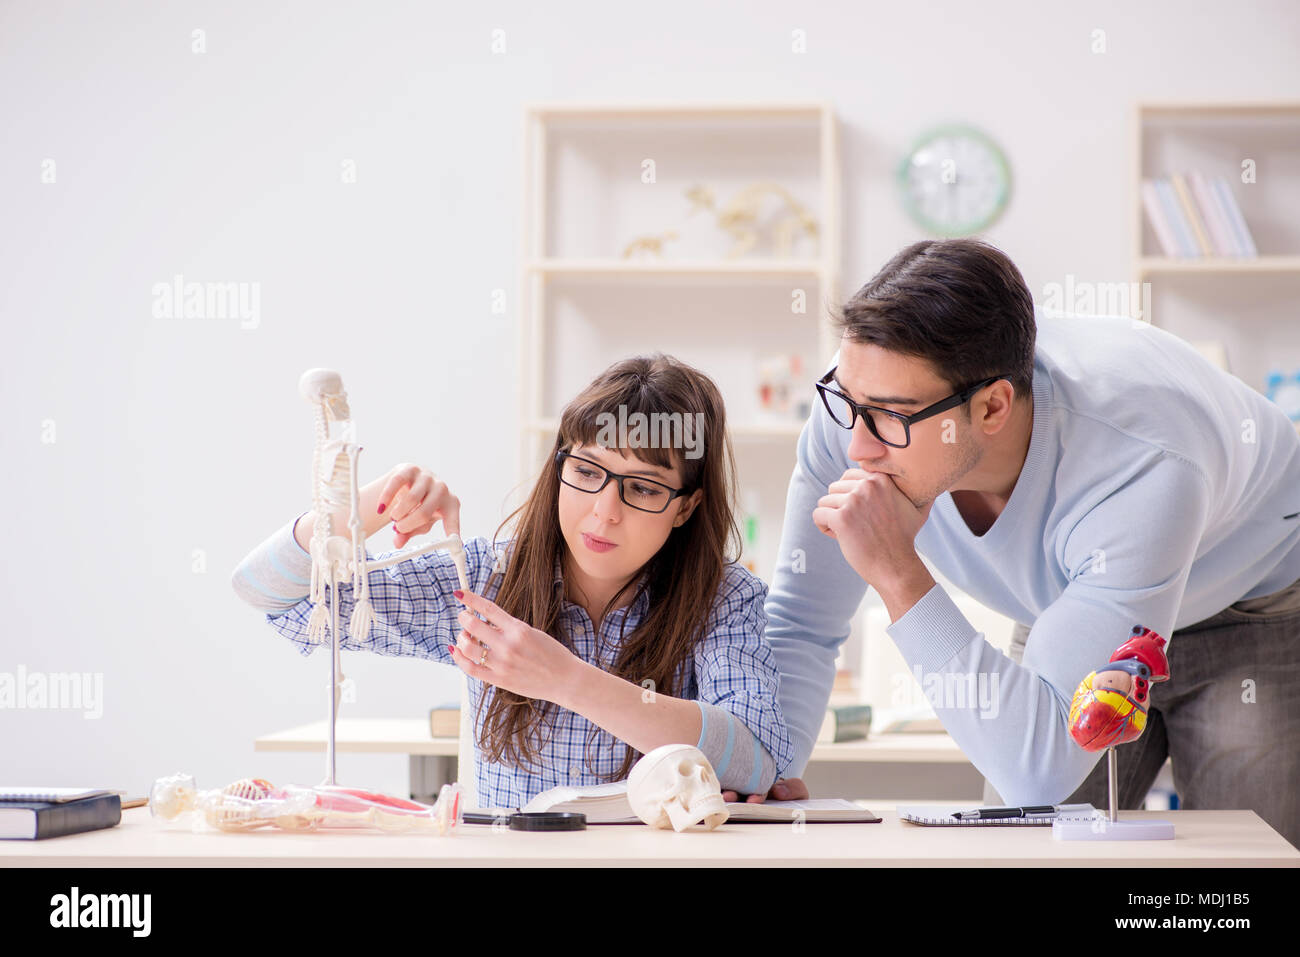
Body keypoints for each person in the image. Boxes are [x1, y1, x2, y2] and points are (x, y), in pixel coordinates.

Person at [732, 238, 1300, 847]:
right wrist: (765, 773)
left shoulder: (1142, 459)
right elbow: (801, 625)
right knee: (1023, 847)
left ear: (993, 407)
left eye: (890, 417)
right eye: (848, 400)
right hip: (1067, 605)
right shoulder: (857, 412)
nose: (855, 449)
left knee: (1244, 856)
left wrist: (898, 574)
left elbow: (1038, 771)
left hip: (1244, 612)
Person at [231, 354, 793, 811]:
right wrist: (375, 503)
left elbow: (756, 758)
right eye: (587, 472)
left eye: (643, 489)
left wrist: (566, 680)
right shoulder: (484, 579)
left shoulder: (726, 599)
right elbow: (265, 591)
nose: (604, 513)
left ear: (686, 506)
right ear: (560, 465)